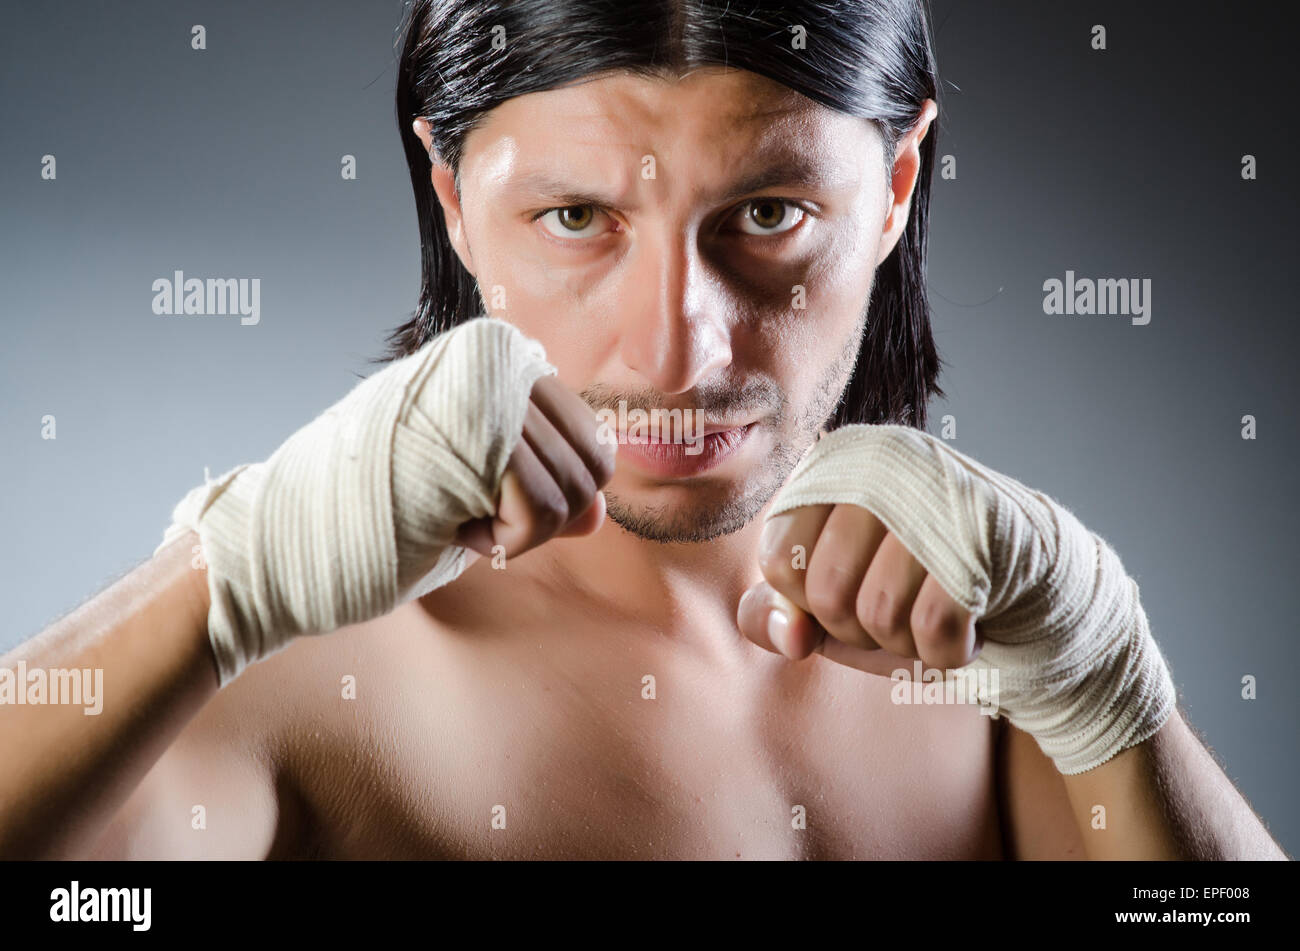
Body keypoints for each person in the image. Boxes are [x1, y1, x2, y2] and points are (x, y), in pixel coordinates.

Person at [0, 0, 1286, 860]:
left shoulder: (991, 657)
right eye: (575, 218)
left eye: (769, 214)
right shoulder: (303, 686)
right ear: (453, 200)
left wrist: (1117, 695)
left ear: (893, 190)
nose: (677, 349)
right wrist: (218, 582)